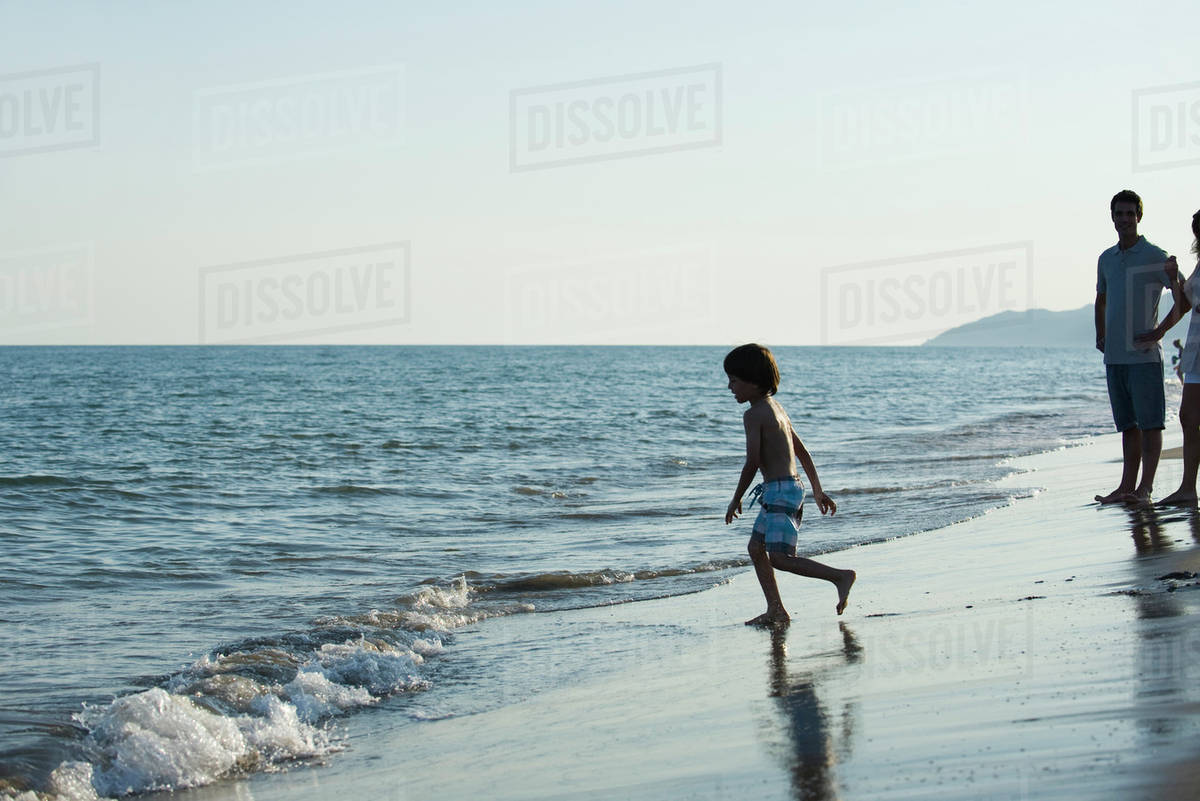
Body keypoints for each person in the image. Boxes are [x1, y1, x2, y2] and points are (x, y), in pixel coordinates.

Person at [722, 343, 855, 625]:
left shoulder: (753, 414)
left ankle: (840, 576)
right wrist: (817, 490)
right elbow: (802, 452)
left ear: (754, 381)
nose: (729, 387)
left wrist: (736, 499)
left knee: (780, 558)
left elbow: (752, 462)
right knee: (756, 549)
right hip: (785, 489)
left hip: (781, 491)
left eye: (734, 380)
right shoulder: (776, 408)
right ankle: (776, 610)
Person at [1094, 190, 1186, 504]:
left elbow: (1183, 299)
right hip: (1115, 358)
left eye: (1129, 214)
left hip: (1145, 358)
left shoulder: (1155, 255)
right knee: (1127, 426)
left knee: (1150, 424)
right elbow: (1101, 298)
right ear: (1112, 217)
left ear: (1138, 217)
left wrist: (1160, 331)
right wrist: (1100, 333)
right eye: (1118, 214)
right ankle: (1125, 488)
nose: (1124, 219)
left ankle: (1144, 490)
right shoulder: (1106, 258)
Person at [1158, 210, 1200, 506]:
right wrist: (1175, 278)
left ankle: (1188, 488)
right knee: (1188, 416)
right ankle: (1187, 489)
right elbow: (1185, 303)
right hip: (1196, 349)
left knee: (1190, 416)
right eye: (1197, 229)